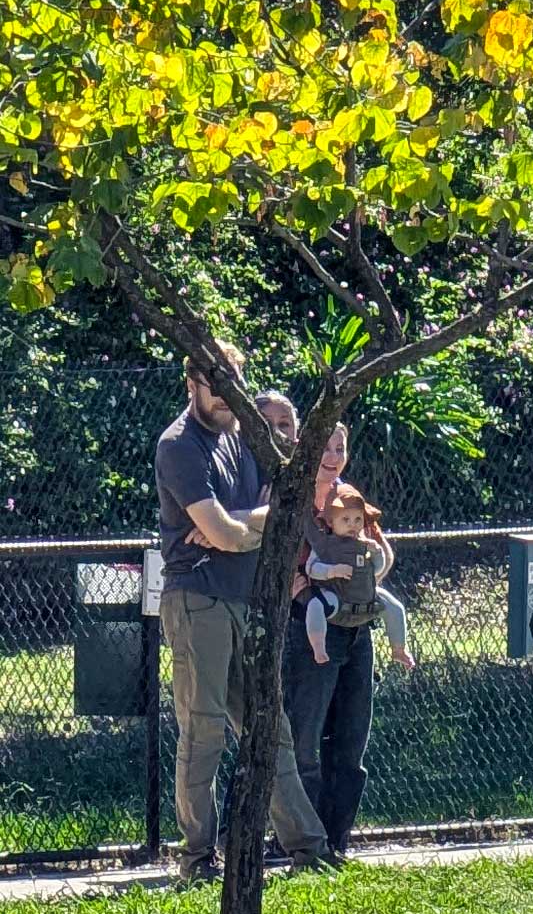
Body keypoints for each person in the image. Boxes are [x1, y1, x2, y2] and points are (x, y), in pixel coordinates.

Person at [154, 345, 342, 882]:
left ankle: (309, 850)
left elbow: (282, 501)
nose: (226, 393)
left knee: (270, 727)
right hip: (199, 602)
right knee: (205, 731)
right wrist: (241, 527)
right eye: (216, 381)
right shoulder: (179, 445)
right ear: (192, 383)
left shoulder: (244, 437)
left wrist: (239, 523)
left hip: (249, 602)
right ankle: (197, 860)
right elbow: (222, 534)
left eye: (234, 379)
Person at [282, 423, 392, 854]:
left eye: (339, 447)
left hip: (357, 626)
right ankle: (304, 842)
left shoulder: (351, 497)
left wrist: (366, 575)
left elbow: (384, 553)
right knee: (304, 739)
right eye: (324, 446)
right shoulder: (292, 498)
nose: (332, 455)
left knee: (350, 739)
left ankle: (337, 840)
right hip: (311, 624)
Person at [301, 483, 416, 670]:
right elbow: (311, 569)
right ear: (330, 522)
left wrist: (377, 553)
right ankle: (318, 646)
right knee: (315, 605)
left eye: (357, 520)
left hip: (364, 599)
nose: (352, 525)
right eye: (345, 519)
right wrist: (332, 571)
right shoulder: (325, 544)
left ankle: (398, 648)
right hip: (336, 597)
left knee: (395, 607)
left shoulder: (364, 544)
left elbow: (377, 570)